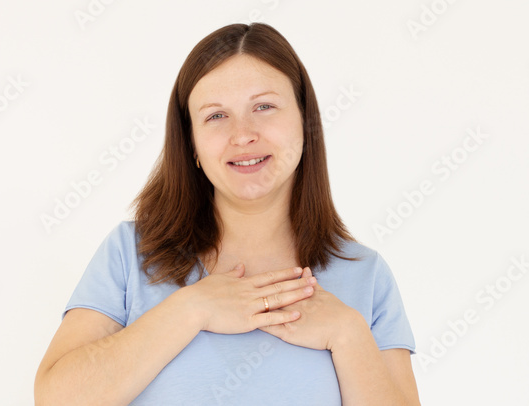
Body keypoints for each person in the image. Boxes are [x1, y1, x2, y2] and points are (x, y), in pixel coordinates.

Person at [34, 23, 420, 405]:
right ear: (192, 145)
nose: (243, 134)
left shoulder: (365, 274)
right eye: (216, 116)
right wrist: (192, 308)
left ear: (304, 120)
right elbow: (56, 399)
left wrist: (349, 334)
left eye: (264, 106)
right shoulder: (129, 253)